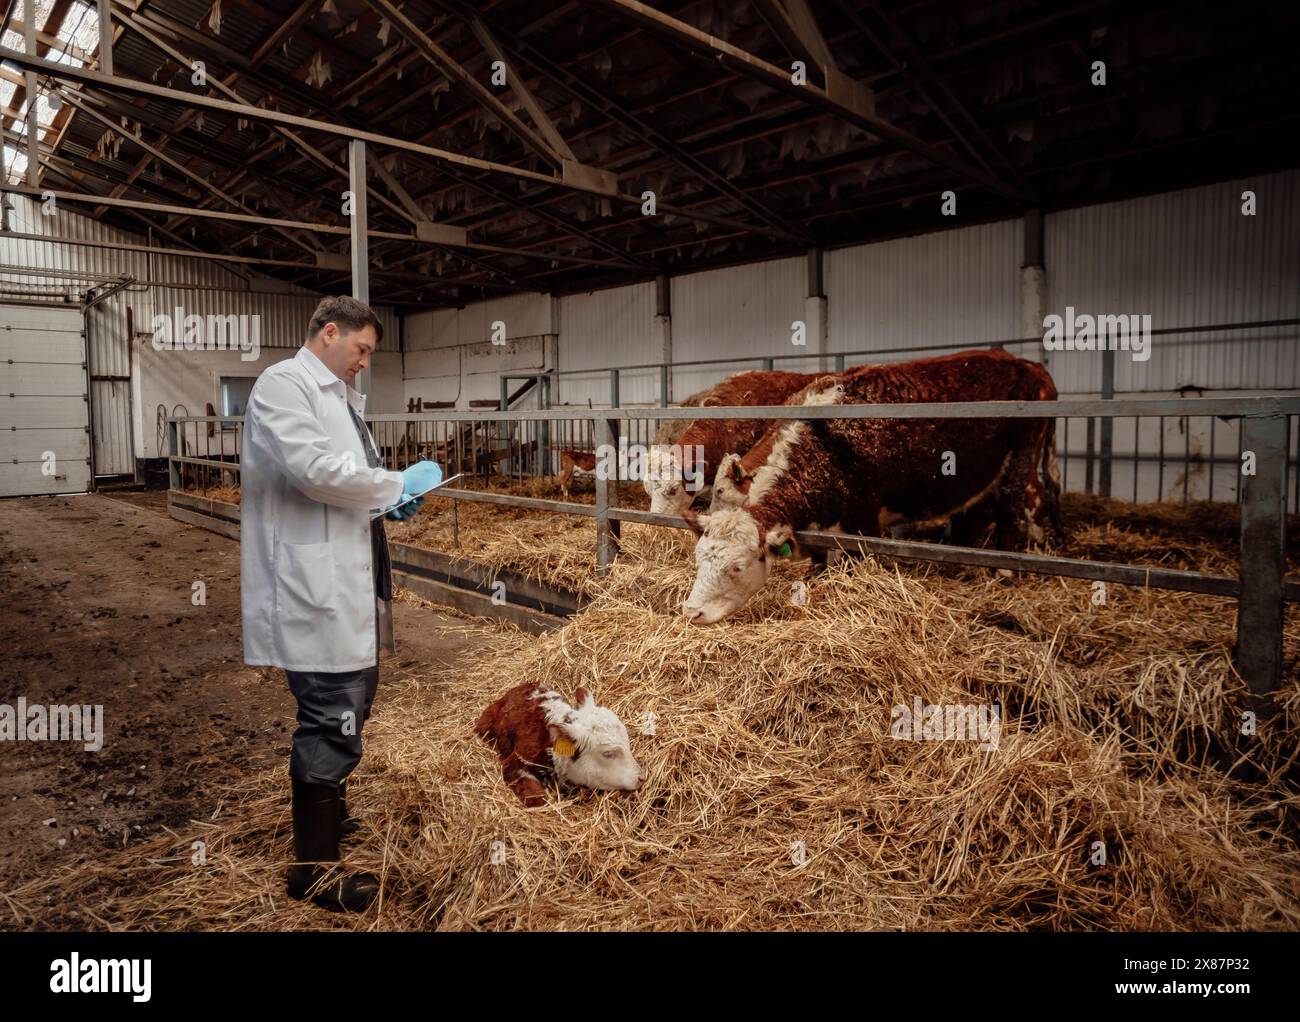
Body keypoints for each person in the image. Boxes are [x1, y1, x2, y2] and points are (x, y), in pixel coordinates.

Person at [239, 295, 440, 912]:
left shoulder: (337, 397)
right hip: (312, 586)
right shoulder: (283, 386)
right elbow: (314, 469)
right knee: (331, 714)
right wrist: (393, 483)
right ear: (330, 332)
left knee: (352, 699)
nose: (364, 363)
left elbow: (347, 477)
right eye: (361, 349)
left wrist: (385, 499)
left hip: (345, 575)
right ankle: (314, 872)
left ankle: (330, 817)